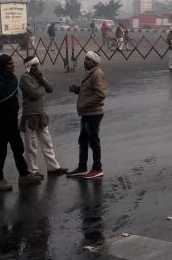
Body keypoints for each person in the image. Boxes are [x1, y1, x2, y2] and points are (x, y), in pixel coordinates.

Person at [0, 54, 41, 191]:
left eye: (12, 63)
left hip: (12, 120)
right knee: (0, 150)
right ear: (3, 67)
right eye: (9, 64)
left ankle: (24, 174)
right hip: (1, 122)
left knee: (18, 147)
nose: (13, 65)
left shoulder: (12, 79)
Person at [19, 56, 66, 178]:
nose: (35, 67)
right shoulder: (24, 78)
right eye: (33, 65)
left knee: (47, 142)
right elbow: (34, 94)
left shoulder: (38, 76)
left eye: (37, 65)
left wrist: (42, 81)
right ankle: (33, 171)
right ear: (28, 66)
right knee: (31, 146)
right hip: (30, 115)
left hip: (40, 114)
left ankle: (53, 168)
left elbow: (50, 88)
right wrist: (42, 87)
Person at [68, 51, 107, 179]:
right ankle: (82, 167)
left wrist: (85, 104)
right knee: (83, 140)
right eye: (85, 59)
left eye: (88, 60)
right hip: (87, 113)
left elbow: (100, 94)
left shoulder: (97, 74)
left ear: (95, 62)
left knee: (93, 141)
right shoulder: (90, 73)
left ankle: (97, 168)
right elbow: (89, 91)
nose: (85, 61)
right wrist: (77, 90)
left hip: (93, 113)